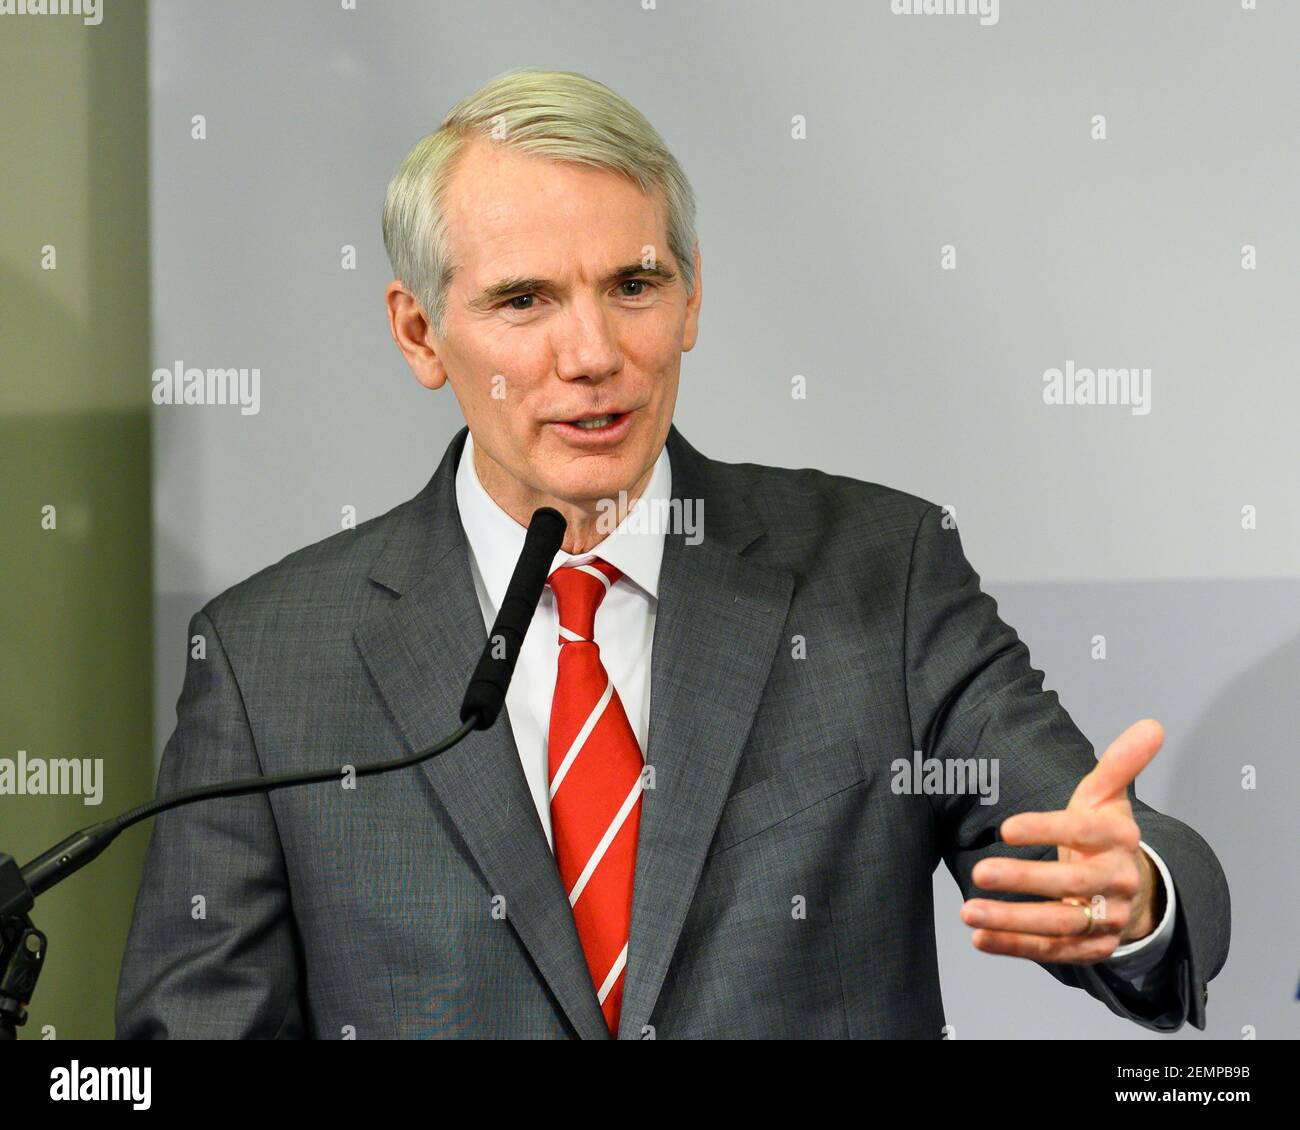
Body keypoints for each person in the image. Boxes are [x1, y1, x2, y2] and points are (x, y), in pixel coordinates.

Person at [117, 68, 1229, 1039]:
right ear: (419, 332)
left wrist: (1136, 892)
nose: (593, 353)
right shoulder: (271, 660)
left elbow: (1080, 838)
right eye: (524, 299)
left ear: (690, 296)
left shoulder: (877, 573)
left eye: (633, 285)